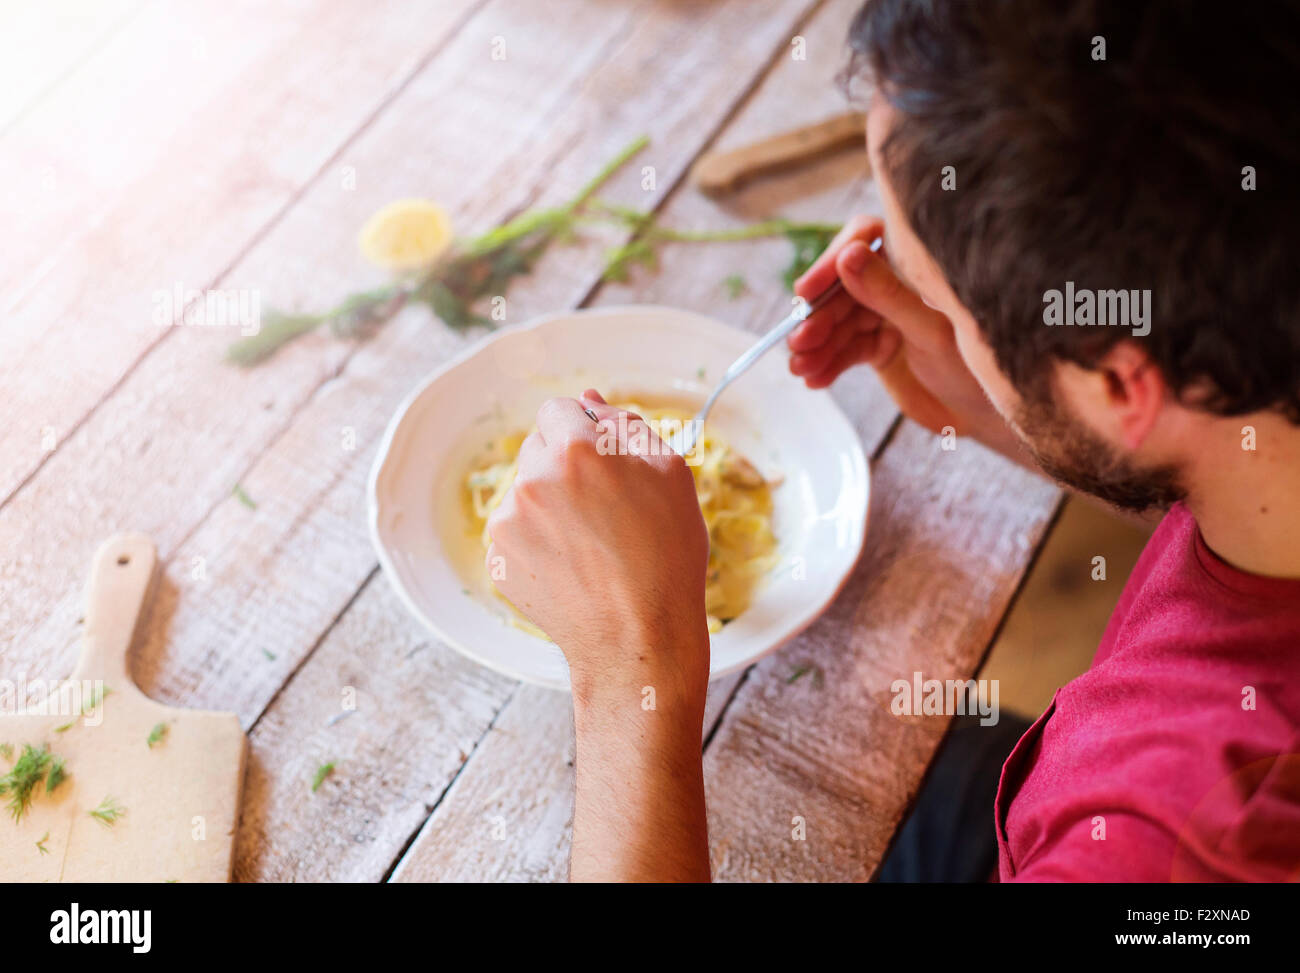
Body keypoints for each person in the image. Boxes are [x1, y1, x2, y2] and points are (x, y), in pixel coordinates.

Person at [482, 0, 1300, 882]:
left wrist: (630, 666)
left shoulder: (1174, 849)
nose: (891, 277)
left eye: (932, 283)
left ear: (1113, 387)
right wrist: (996, 405)